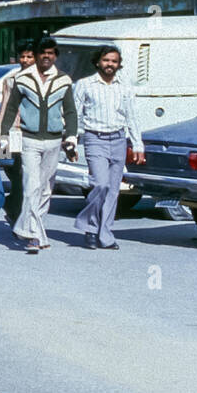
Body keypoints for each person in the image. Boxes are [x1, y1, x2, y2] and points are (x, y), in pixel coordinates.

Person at [0, 37, 77, 253]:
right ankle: (33, 234)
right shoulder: (18, 80)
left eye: (50, 53)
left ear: (55, 56)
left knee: (45, 188)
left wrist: (71, 139)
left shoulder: (63, 80)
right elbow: (8, 109)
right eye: (42, 53)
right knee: (28, 183)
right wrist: (1, 139)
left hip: (52, 140)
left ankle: (29, 226)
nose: (46, 56)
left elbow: (70, 112)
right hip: (24, 138)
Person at [72, 45, 144, 251]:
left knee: (113, 190)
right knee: (100, 185)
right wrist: (72, 139)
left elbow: (132, 117)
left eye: (114, 61)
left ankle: (105, 234)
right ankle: (90, 227)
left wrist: (137, 144)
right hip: (95, 139)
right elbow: (76, 114)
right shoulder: (85, 85)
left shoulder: (125, 87)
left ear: (118, 64)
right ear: (97, 62)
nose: (110, 64)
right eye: (106, 60)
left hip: (119, 140)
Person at [0, 41, 35, 232]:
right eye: (23, 56)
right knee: (12, 171)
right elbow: (4, 108)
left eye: (29, 56)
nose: (25, 60)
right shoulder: (10, 80)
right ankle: (14, 208)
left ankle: (17, 211)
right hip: (12, 133)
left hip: (33, 133)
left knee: (26, 175)